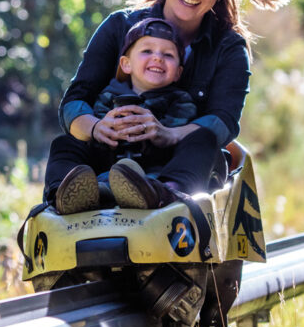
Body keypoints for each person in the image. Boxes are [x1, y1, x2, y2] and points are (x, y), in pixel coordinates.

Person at [43, 0, 293, 215]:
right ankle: (70, 196)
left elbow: (224, 123)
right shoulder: (117, 27)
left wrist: (167, 133)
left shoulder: (229, 48)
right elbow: (73, 102)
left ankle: (159, 194)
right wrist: (97, 128)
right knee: (65, 144)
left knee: (205, 143)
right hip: (107, 156)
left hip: (179, 166)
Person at [53, 18, 197, 214]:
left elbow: (177, 131)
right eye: (147, 51)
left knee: (198, 141)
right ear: (126, 64)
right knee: (64, 144)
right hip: (106, 169)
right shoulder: (108, 96)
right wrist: (103, 129)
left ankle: (158, 193)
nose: (157, 58)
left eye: (168, 55)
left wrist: (156, 132)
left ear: (178, 73)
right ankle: (62, 194)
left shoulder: (180, 101)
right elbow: (97, 128)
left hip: (154, 174)